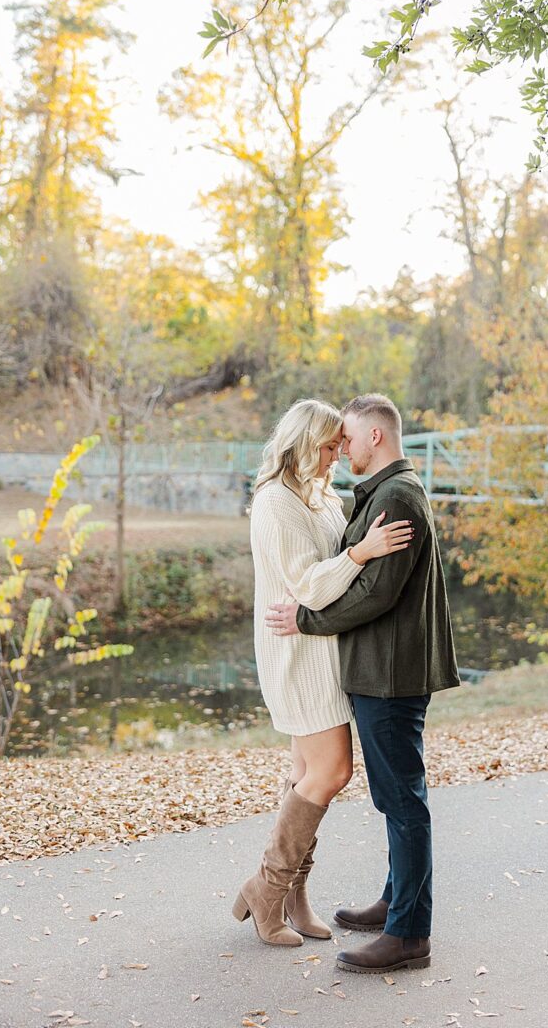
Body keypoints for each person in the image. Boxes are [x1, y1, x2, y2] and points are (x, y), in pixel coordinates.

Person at [266, 393, 459, 975]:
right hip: (382, 670)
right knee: (396, 798)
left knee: (403, 803)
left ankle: (408, 934)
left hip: (391, 676)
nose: (342, 447)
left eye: (346, 437)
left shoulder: (397, 496)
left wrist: (306, 620)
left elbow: (376, 593)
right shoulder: (386, 491)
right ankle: (394, 902)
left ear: (375, 436)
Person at [238, 398, 414, 948]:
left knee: (304, 771)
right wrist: (361, 553)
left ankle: (289, 894)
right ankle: (268, 888)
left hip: (322, 649)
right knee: (332, 770)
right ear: (304, 442)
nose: (340, 453)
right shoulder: (274, 504)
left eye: (343, 443)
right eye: (332, 444)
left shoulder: (322, 498)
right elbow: (309, 586)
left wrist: (356, 552)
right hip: (296, 654)